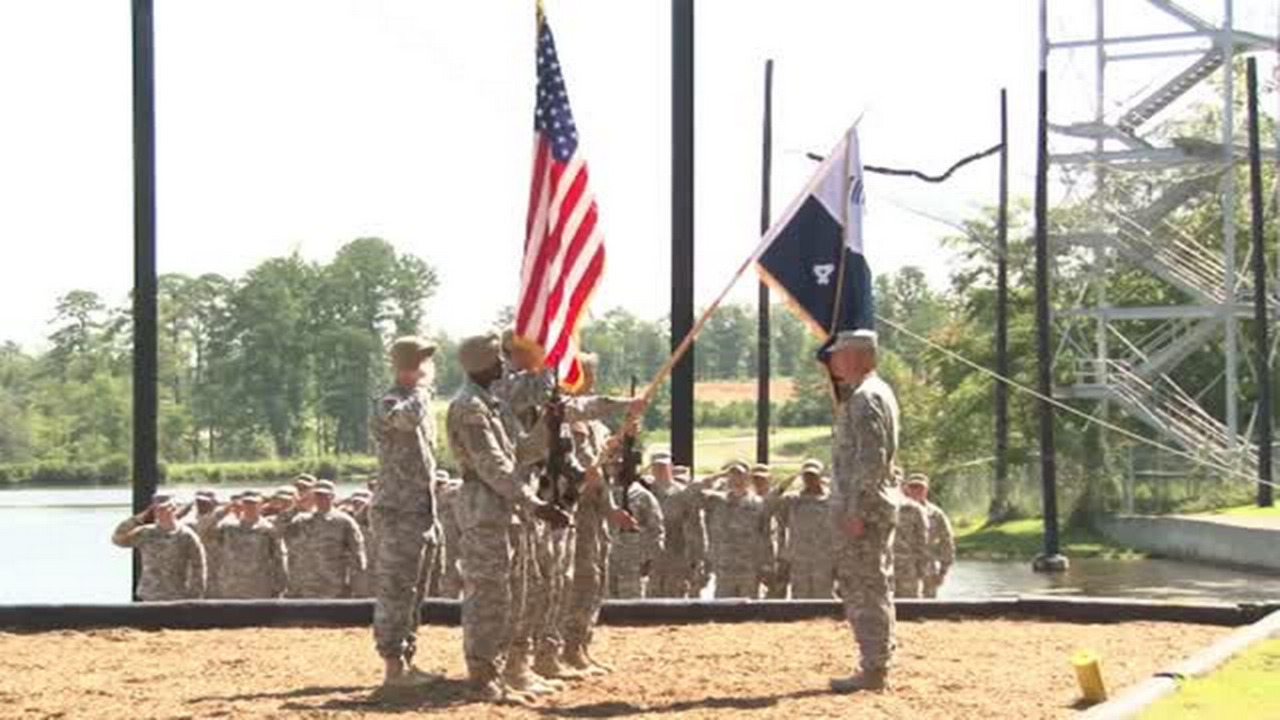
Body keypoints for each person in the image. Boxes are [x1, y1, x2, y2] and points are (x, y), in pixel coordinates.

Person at [446, 333, 572, 704]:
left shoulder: (492, 403)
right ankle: (483, 676)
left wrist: (548, 425)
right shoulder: (469, 407)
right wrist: (535, 503)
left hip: (508, 509)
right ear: (485, 364)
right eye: (499, 358)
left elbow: (520, 451)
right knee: (488, 595)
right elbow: (494, 467)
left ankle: (506, 671)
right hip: (486, 509)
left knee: (517, 591)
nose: (505, 363)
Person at [824, 329, 901, 693]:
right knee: (870, 584)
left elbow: (870, 460)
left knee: (866, 587)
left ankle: (874, 668)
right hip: (870, 505)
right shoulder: (873, 393)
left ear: (857, 356)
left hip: (865, 510)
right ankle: (875, 662)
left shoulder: (865, 398)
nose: (833, 360)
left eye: (838, 354)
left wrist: (855, 509)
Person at [367, 335, 444, 690]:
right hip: (397, 512)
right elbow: (403, 421)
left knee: (415, 591)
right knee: (396, 588)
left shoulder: (418, 400)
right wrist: (423, 391)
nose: (427, 368)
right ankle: (392, 667)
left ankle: (407, 661)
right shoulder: (392, 400)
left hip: (420, 510)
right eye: (420, 362)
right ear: (406, 366)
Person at [692, 461, 771, 598]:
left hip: (749, 566)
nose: (736, 480)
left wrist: (766, 563)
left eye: (740, 476)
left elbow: (766, 535)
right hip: (724, 566)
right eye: (733, 476)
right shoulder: (716, 501)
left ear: (748, 479)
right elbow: (692, 492)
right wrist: (719, 475)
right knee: (723, 610)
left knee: (748, 609)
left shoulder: (758, 503)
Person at [111, 493, 207, 601]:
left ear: (173, 509)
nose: (159, 512)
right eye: (156, 509)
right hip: (150, 595)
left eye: (164, 508)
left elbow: (199, 567)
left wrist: (194, 597)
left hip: (177, 596)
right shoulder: (145, 532)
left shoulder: (186, 535)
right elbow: (117, 539)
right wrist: (139, 518)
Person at [282, 480, 366, 599]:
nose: (320, 499)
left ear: (332, 497)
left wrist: (354, 586)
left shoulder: (343, 522)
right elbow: (278, 531)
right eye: (317, 495)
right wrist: (295, 507)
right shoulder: (301, 520)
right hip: (302, 587)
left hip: (332, 587)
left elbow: (358, 555)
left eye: (324, 496)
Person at [208, 491, 288, 599]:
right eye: (246, 504)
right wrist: (225, 509)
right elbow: (208, 533)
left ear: (260, 506)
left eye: (253, 504)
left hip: (259, 588)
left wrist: (279, 586)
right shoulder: (228, 527)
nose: (250, 507)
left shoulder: (268, 530)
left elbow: (279, 559)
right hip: (231, 586)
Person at [647, 453, 706, 598]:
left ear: (670, 468)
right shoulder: (645, 492)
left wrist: (697, 555)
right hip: (652, 554)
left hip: (677, 552)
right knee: (651, 596)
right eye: (656, 467)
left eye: (663, 467)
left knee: (676, 594)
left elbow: (695, 525)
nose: (660, 470)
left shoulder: (682, 493)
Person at [778, 460, 836, 599]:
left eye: (813, 476)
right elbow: (769, 505)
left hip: (824, 559)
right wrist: (785, 484)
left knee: (824, 600)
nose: (810, 480)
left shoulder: (832, 500)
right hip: (799, 560)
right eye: (806, 476)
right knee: (800, 600)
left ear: (821, 477)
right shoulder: (792, 500)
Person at [608, 464, 664, 599]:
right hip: (608, 559)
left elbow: (656, 529)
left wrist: (650, 558)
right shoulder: (606, 493)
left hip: (633, 561)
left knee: (631, 602)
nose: (616, 469)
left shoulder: (643, 496)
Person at [907, 474, 955, 598]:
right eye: (912, 487)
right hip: (902, 569)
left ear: (926, 489)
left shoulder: (936, 514)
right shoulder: (897, 510)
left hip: (928, 569)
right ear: (906, 489)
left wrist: (943, 571)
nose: (915, 490)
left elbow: (946, 541)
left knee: (928, 605)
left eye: (919, 487)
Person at [751, 464, 788, 599]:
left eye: (762, 479)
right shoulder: (749, 500)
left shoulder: (783, 500)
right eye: (755, 479)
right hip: (753, 554)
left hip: (777, 552)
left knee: (777, 592)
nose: (758, 482)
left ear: (769, 480)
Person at [892, 472, 930, 599]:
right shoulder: (875, 507)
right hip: (880, 568)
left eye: (896, 483)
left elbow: (923, 540)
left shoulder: (914, 509)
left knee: (909, 605)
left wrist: (922, 568)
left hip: (907, 568)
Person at [435, 471, 464, 599]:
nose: (438, 487)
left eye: (441, 483)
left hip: (452, 544)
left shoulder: (453, 499)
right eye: (436, 483)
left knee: (450, 572)